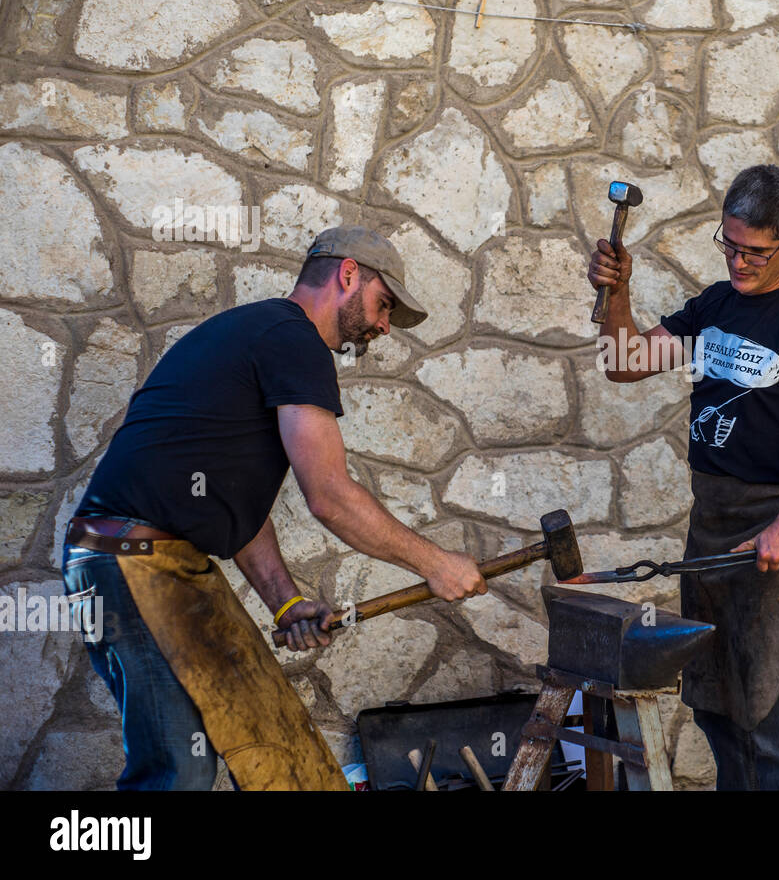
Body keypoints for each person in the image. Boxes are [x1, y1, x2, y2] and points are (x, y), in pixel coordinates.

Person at [61, 226, 487, 790]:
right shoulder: (294, 339)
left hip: (156, 563)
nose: (384, 326)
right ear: (349, 273)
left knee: (277, 750)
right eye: (385, 305)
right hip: (130, 561)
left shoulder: (262, 332)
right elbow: (331, 497)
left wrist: (284, 603)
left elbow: (233, 503)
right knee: (178, 769)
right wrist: (436, 564)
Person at [586, 165, 779, 790]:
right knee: (718, 706)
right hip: (714, 529)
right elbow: (625, 362)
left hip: (777, 534)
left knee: (772, 724)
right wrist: (618, 293)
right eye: (729, 245)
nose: (739, 262)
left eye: (756, 252)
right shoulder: (718, 304)